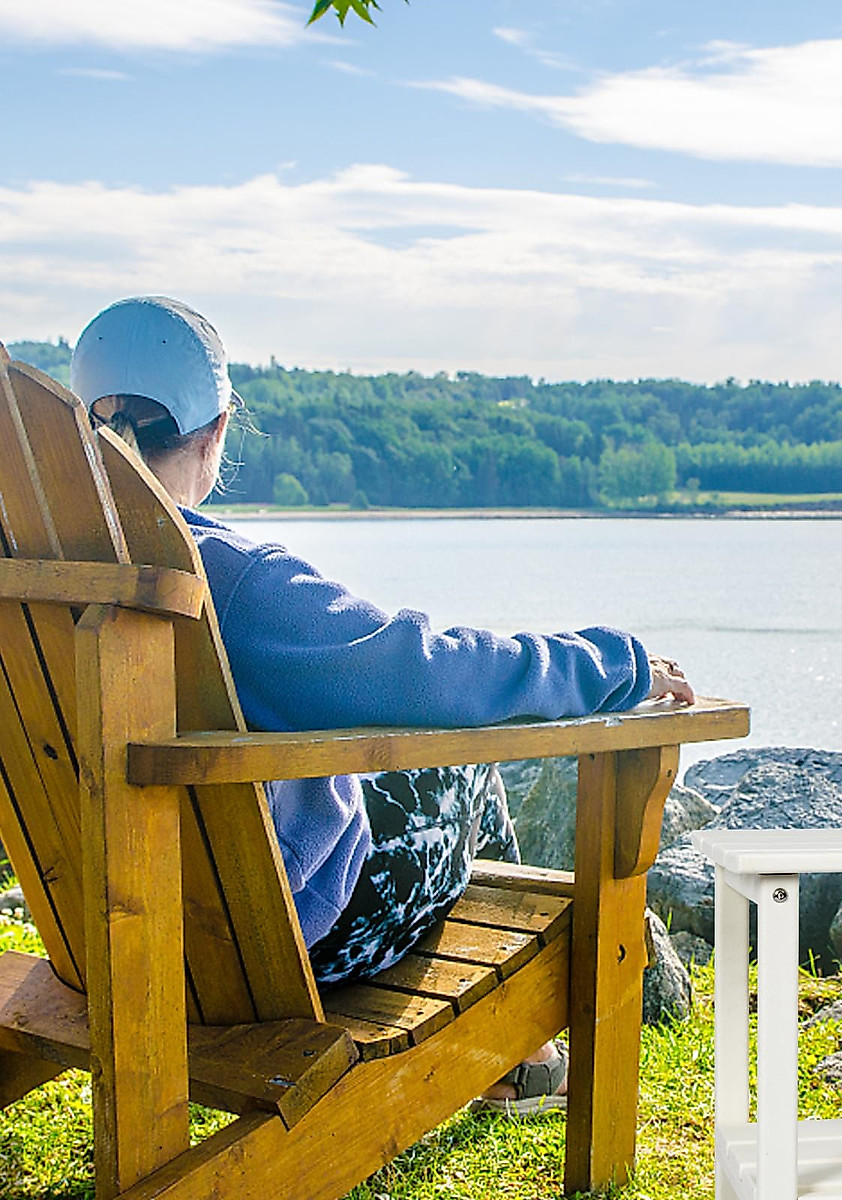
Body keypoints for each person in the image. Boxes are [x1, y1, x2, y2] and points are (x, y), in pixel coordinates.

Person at [71, 295, 694, 1114]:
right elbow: (433, 673)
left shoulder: (39, 569)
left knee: (405, 771)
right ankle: (523, 1039)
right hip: (264, 948)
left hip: (96, 926)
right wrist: (616, 661)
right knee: (460, 766)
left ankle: (522, 1045)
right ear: (218, 430)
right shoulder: (234, 577)